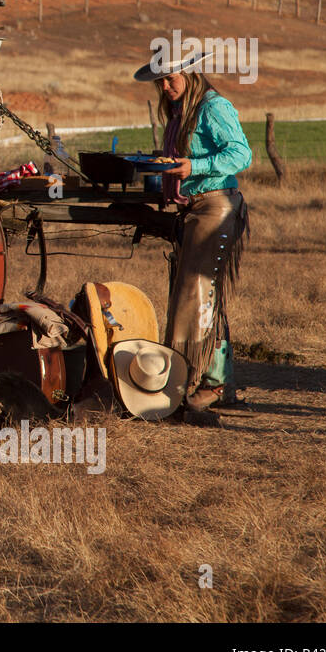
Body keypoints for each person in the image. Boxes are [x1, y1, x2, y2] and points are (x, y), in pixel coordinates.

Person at [133, 50, 251, 422]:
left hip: (215, 208)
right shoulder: (181, 110)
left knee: (193, 299)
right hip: (196, 208)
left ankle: (189, 383)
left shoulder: (212, 107)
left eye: (171, 78)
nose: (166, 87)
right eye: (161, 81)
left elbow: (241, 154)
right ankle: (217, 384)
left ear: (190, 73)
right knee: (206, 297)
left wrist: (193, 166)